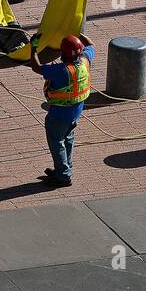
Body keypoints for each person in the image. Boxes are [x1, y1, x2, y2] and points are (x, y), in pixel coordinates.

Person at [28, 33, 94, 187]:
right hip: (75, 112)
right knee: (68, 139)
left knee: (57, 141)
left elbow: (36, 67)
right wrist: (78, 33)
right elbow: (91, 45)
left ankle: (63, 176)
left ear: (62, 53)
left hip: (59, 115)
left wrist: (34, 47)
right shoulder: (84, 61)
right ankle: (64, 169)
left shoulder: (60, 70)